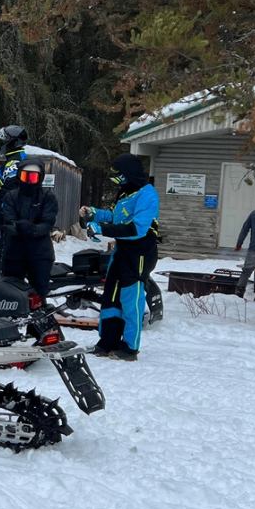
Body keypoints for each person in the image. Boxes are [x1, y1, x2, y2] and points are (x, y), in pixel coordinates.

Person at [80, 154, 160, 361]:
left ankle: (130, 346)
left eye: (119, 174)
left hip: (140, 251)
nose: (116, 178)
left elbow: (137, 228)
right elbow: (115, 216)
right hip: (122, 250)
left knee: (130, 297)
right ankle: (108, 341)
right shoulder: (125, 192)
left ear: (128, 173)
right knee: (111, 295)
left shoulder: (147, 194)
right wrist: (94, 214)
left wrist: (103, 229)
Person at [0, 156, 58, 294]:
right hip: (14, 253)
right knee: (9, 290)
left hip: (40, 253)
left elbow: (48, 222)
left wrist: (32, 229)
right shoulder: (11, 196)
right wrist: (18, 227)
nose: (30, 181)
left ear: (40, 177)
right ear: (19, 176)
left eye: (33, 177)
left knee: (39, 291)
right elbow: (8, 220)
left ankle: (41, 311)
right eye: (26, 176)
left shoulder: (48, 197)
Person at [0, 124, 29, 256]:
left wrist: (5, 218)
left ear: (12, 142)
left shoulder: (15, 163)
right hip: (3, 221)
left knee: (3, 258)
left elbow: (11, 192)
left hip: (6, 222)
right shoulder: (10, 161)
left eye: (4, 141)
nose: (2, 144)